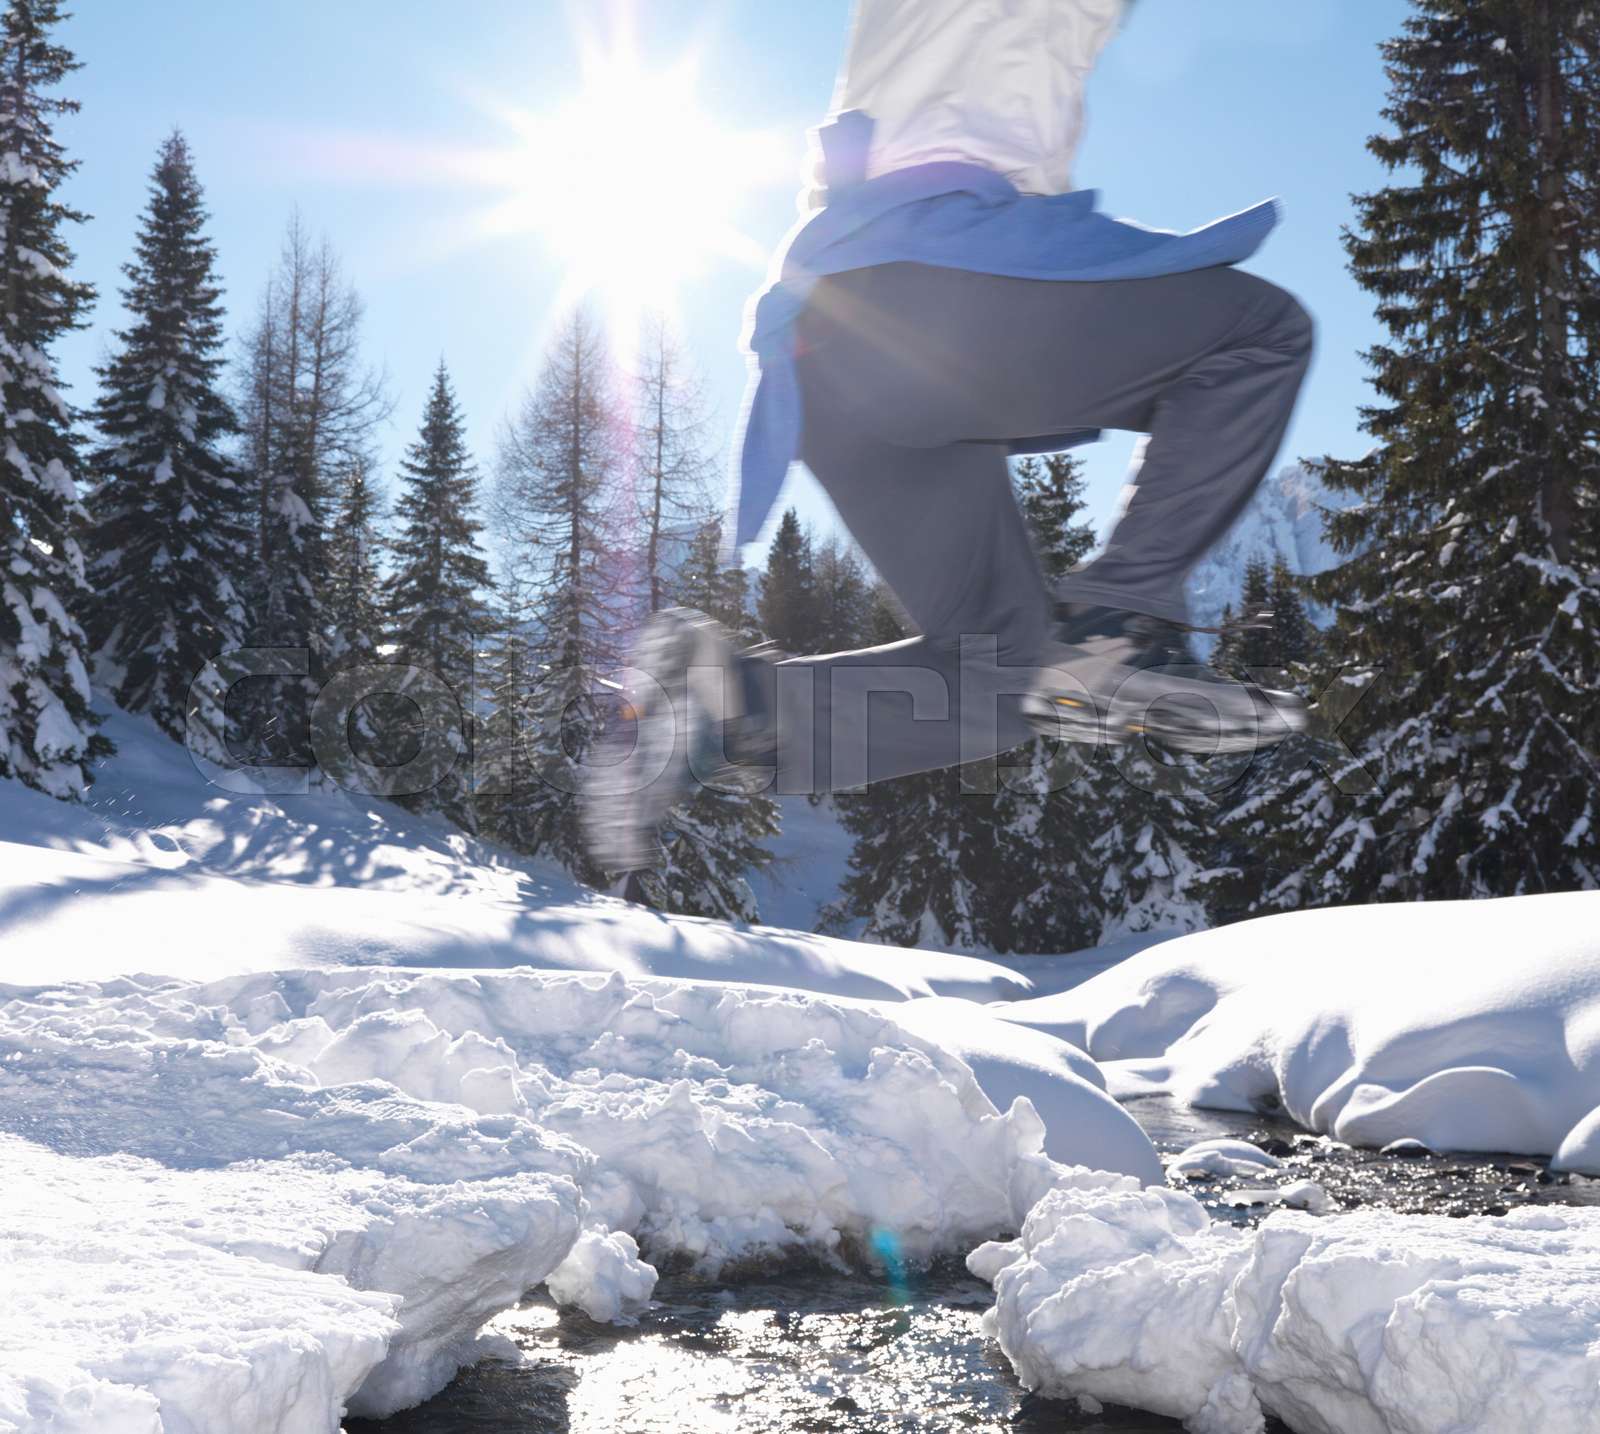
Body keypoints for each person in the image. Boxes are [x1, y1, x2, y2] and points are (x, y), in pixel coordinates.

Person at [584, 0, 1314, 879]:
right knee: (1257, 333)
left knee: (1003, 672)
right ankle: (1117, 626)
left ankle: (732, 701)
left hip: (837, 365)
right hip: (923, 295)